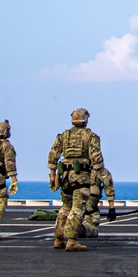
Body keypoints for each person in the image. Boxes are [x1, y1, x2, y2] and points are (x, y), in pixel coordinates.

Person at [47, 107, 106, 252]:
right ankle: (71, 240)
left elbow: (53, 155)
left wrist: (52, 176)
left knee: (65, 207)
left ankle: (58, 238)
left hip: (65, 177)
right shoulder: (90, 136)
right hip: (81, 177)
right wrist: (101, 175)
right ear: (85, 120)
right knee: (78, 208)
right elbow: (96, 158)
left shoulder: (63, 136)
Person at [78, 166, 116, 238]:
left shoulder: (97, 170)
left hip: (88, 212)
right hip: (81, 211)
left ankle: (77, 228)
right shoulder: (96, 170)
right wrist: (112, 208)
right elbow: (108, 186)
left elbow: (108, 186)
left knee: (90, 230)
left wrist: (112, 209)